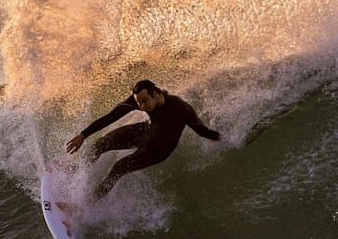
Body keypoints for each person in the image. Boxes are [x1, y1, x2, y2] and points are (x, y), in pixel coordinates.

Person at [65, 80, 221, 201]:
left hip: (159, 149)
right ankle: (71, 174)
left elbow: (203, 131)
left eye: (145, 101)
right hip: (146, 132)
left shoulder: (180, 108)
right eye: (138, 102)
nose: (141, 105)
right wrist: (83, 135)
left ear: (156, 94)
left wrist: (223, 139)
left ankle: (82, 206)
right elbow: (112, 116)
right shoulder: (139, 99)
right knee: (101, 143)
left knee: (119, 167)